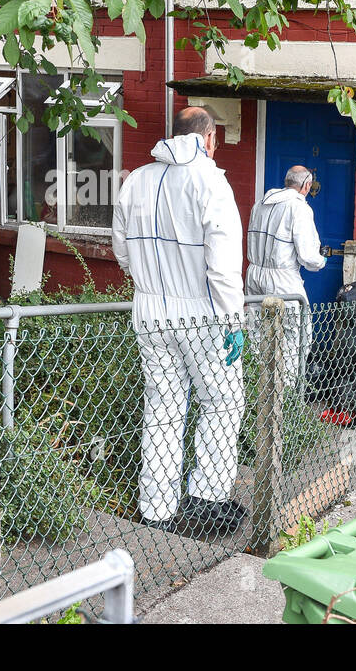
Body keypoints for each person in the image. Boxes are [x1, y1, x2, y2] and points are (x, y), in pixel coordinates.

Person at [111, 107, 249, 534]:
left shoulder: (136, 180)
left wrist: (154, 284)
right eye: (216, 139)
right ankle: (207, 499)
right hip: (203, 313)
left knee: (164, 405)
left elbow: (121, 252)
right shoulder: (211, 182)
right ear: (207, 137)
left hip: (149, 310)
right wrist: (235, 322)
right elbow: (224, 267)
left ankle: (157, 506)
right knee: (222, 402)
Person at [245, 165, 327, 396]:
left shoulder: (259, 204)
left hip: (254, 274)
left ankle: (256, 386)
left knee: (256, 330)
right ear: (306, 185)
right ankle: (287, 392)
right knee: (298, 334)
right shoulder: (298, 208)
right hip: (282, 278)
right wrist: (321, 260)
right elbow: (308, 257)